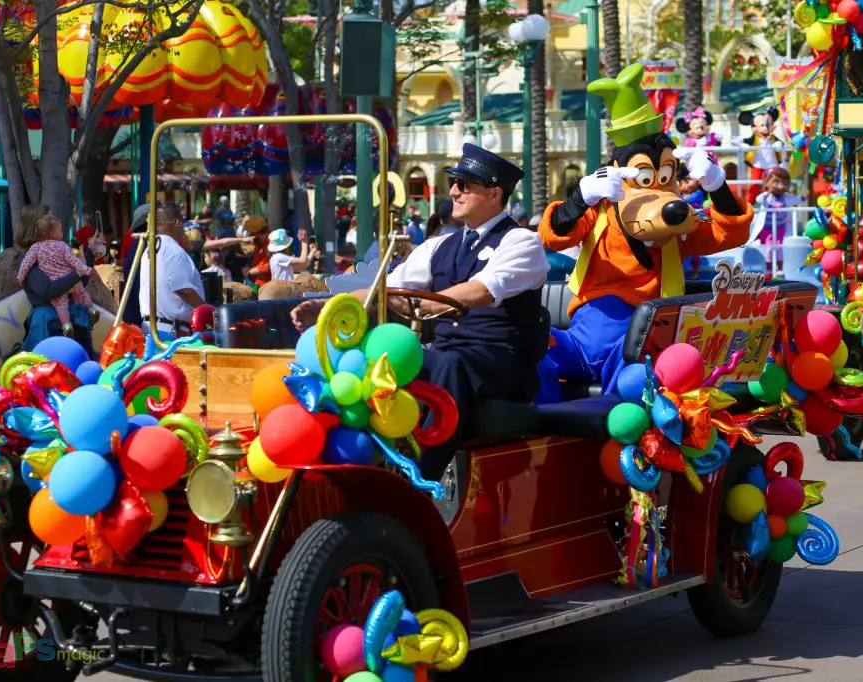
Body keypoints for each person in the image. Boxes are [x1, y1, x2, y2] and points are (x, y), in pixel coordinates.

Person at [291, 143, 550, 480]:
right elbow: (386, 291)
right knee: (374, 357)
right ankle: (355, 466)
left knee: (451, 363)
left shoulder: (521, 242)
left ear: (494, 193)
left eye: (465, 185)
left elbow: (481, 290)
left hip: (500, 363)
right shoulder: (439, 245)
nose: (454, 192)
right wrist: (329, 308)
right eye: (454, 182)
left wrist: (422, 303)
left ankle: (424, 478)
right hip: (447, 356)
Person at [536, 63, 753, 401]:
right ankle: (543, 434)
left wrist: (717, 185)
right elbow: (553, 236)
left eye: (665, 177)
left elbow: (731, 233)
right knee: (527, 347)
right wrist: (580, 197)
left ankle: (619, 442)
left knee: (636, 382)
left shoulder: (680, 228)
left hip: (636, 344)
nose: (658, 193)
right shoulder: (599, 211)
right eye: (643, 177)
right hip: (579, 340)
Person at [17, 205, 97, 357]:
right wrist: (77, 273)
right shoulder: (28, 256)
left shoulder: (60, 249)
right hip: (49, 324)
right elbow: (47, 290)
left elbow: (80, 283)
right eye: (48, 218)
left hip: (76, 320)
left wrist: (88, 257)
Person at [139, 203, 205, 338]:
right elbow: (184, 290)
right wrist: (207, 312)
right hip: (171, 332)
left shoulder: (150, 248)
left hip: (154, 328)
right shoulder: (173, 250)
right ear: (177, 223)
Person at [243, 216, 273, 286]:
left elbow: (273, 264)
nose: (251, 237)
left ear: (258, 234)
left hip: (269, 285)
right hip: (258, 283)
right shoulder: (258, 245)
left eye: (252, 234)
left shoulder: (271, 243)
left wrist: (251, 271)